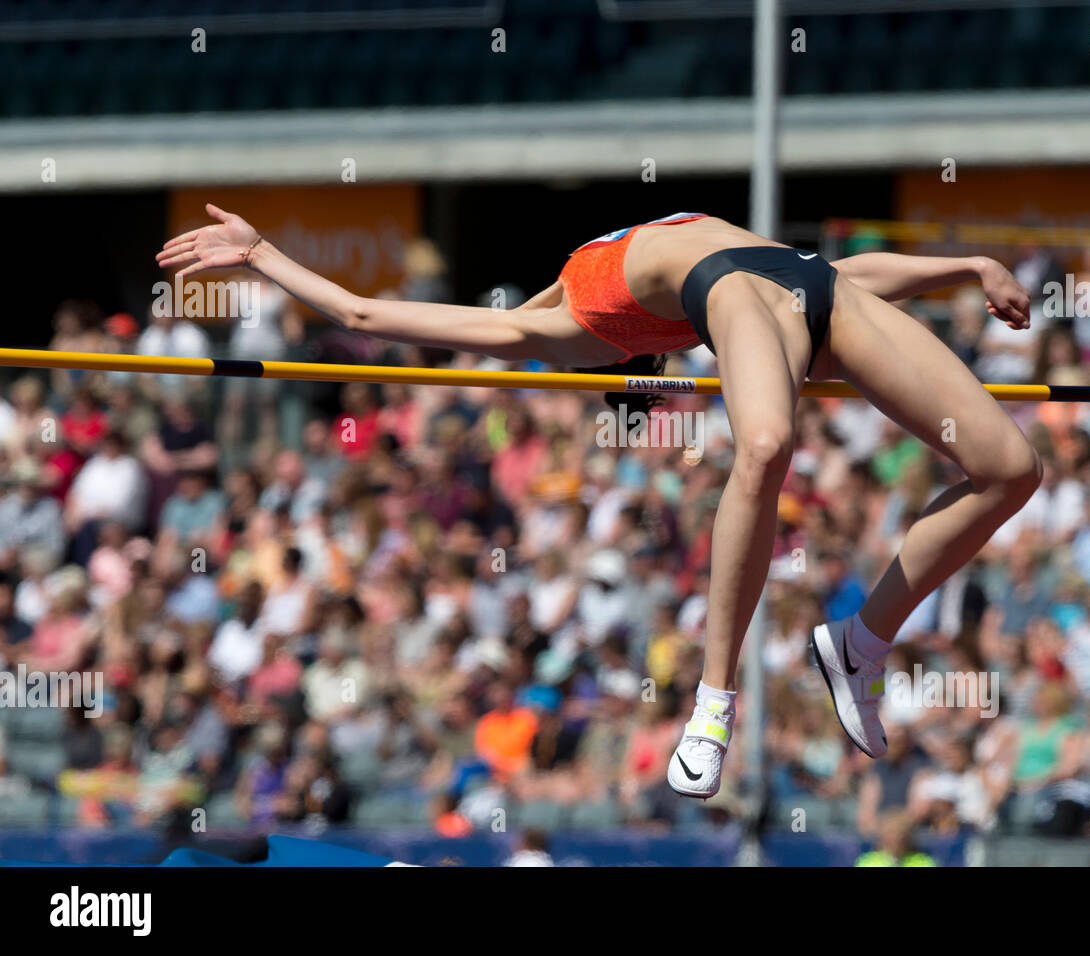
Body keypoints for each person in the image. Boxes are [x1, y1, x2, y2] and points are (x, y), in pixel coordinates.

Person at [159, 204, 1041, 799]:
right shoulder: (575, 328)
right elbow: (360, 317)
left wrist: (967, 265)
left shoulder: (578, 306)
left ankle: (859, 642)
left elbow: (842, 270)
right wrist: (266, 259)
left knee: (1011, 468)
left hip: (812, 288)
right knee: (767, 445)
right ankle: (714, 702)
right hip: (778, 294)